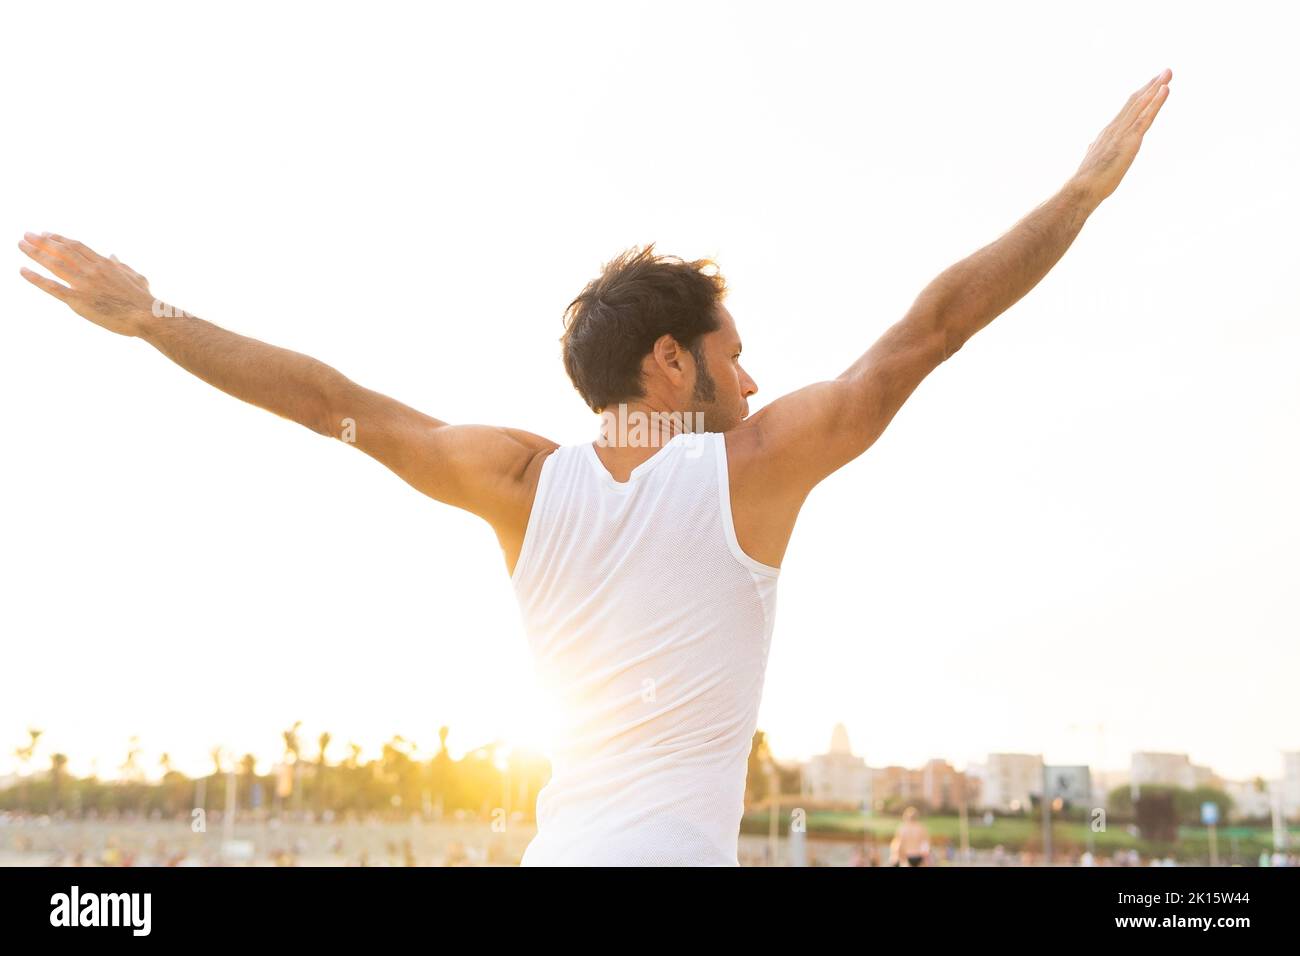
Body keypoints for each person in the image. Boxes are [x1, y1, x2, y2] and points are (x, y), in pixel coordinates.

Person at [17, 70, 1172, 867]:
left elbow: (330, 405)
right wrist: (1077, 195)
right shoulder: (749, 468)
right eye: (735, 354)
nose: (755, 383)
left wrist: (153, 317)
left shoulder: (514, 482)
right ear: (671, 361)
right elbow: (927, 333)